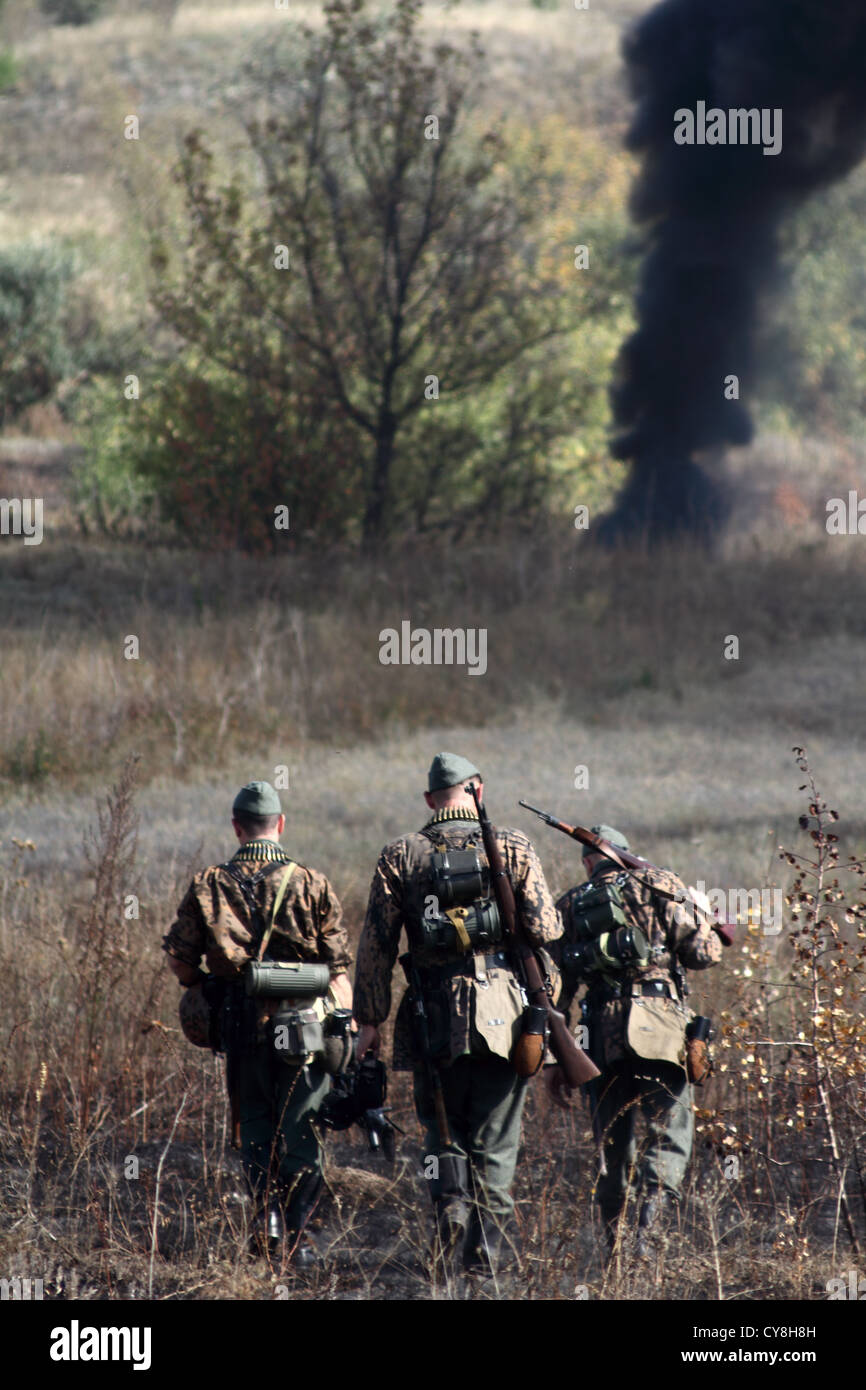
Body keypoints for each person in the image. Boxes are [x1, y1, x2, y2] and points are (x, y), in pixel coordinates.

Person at [353, 752, 562, 1277]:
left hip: (430, 1013)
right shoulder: (513, 845)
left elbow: (376, 946)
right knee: (494, 1139)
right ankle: (486, 1253)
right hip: (504, 1012)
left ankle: (450, 1208)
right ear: (478, 790)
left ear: (429, 800)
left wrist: (370, 1020)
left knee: (441, 1133)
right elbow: (545, 928)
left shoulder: (400, 854)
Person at [163, 780, 353, 1265]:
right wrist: (345, 1028)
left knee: (253, 1127)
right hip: (304, 1026)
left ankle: (265, 1224)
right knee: (302, 1127)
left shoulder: (208, 883)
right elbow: (338, 966)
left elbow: (180, 962)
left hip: (242, 1026)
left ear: (236, 827)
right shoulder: (311, 881)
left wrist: (213, 985)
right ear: (281, 825)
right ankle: (302, 1238)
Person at [549, 825, 723, 1258]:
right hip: (660, 1027)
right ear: (626, 855)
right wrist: (704, 914)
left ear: (588, 862)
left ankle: (616, 1245)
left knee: (611, 1144)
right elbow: (704, 955)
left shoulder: (568, 904)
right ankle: (649, 1232)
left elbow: (555, 991)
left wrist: (557, 1058)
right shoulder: (660, 883)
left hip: (598, 1035)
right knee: (668, 1136)